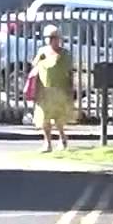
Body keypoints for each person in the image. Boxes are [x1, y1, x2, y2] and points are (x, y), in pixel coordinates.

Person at [28, 24, 76, 152]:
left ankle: (62, 138)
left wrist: (70, 90)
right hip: (44, 90)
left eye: (53, 37)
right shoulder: (42, 51)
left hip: (60, 89)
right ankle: (47, 143)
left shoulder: (65, 54)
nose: (50, 40)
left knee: (59, 119)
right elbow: (34, 65)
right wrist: (39, 59)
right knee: (45, 119)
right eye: (48, 37)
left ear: (58, 38)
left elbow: (70, 72)